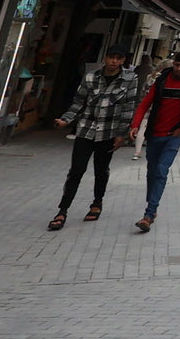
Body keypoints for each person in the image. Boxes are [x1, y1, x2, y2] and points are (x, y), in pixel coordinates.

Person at [47, 44, 140, 230]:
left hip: (108, 132)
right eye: (111, 57)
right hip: (86, 129)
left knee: (101, 169)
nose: (114, 61)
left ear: (123, 61)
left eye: (118, 58)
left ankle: (97, 203)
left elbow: (129, 108)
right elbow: (78, 102)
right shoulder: (91, 77)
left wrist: (122, 135)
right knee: (76, 171)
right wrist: (66, 120)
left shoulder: (130, 79)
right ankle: (62, 210)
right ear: (105, 58)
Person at [127, 51, 180, 233]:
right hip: (155, 133)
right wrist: (135, 125)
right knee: (152, 171)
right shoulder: (162, 79)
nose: (179, 69)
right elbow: (145, 103)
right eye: (177, 65)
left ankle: (149, 214)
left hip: (173, 135)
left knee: (161, 171)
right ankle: (151, 205)